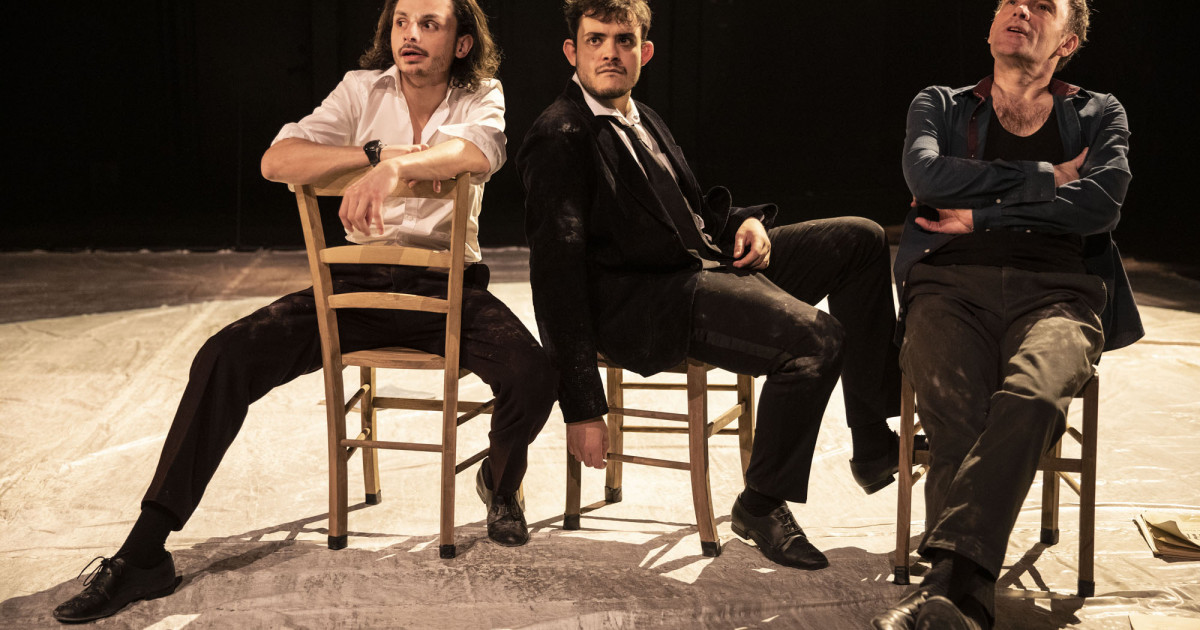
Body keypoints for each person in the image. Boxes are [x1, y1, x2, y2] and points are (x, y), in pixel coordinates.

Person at [52, 0, 556, 623]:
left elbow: (477, 154)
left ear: (460, 42)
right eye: (402, 21)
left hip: (447, 288)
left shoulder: (481, 93)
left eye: (430, 24)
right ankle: (145, 551)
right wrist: (373, 156)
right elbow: (277, 160)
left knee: (534, 376)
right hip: (356, 289)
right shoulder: (359, 90)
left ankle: (500, 483)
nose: (411, 35)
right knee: (224, 356)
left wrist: (398, 169)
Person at [517, 0, 901, 571]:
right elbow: (555, 279)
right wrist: (582, 407)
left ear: (644, 53)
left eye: (623, 40)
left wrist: (744, 223)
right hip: (648, 304)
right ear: (572, 52)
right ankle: (761, 504)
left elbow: (689, 212)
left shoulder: (641, 116)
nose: (610, 53)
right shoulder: (561, 134)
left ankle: (871, 438)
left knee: (863, 239)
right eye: (595, 40)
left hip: (701, 267)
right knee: (816, 340)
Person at [873, 1, 1140, 628]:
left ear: (1067, 44)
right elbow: (927, 176)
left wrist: (982, 213)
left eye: (1042, 5)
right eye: (1008, 1)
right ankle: (965, 605)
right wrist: (1047, 179)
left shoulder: (1100, 113)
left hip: (1057, 292)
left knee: (1035, 395)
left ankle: (946, 582)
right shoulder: (938, 103)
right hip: (947, 286)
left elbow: (1099, 205)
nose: (1019, 8)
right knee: (958, 417)